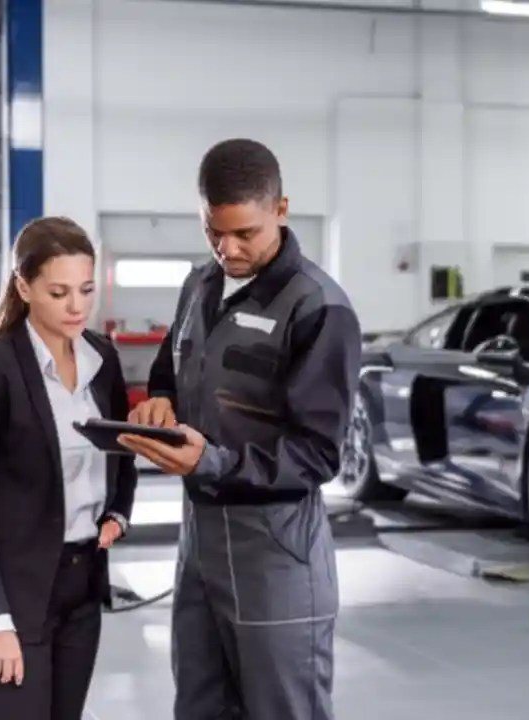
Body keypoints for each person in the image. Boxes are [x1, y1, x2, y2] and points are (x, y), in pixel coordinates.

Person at [120, 138, 361, 720]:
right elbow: (168, 373)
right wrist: (158, 403)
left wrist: (211, 462)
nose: (227, 249)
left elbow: (316, 454)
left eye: (244, 234)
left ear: (281, 209)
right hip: (199, 543)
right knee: (199, 706)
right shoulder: (198, 286)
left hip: (276, 550)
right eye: (212, 231)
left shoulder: (319, 308)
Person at [0, 216, 138, 720]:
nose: (76, 306)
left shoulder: (102, 360)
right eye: (58, 292)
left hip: (81, 586)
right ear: (24, 286)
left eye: (86, 289)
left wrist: (118, 510)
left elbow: (121, 450)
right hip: (11, 591)